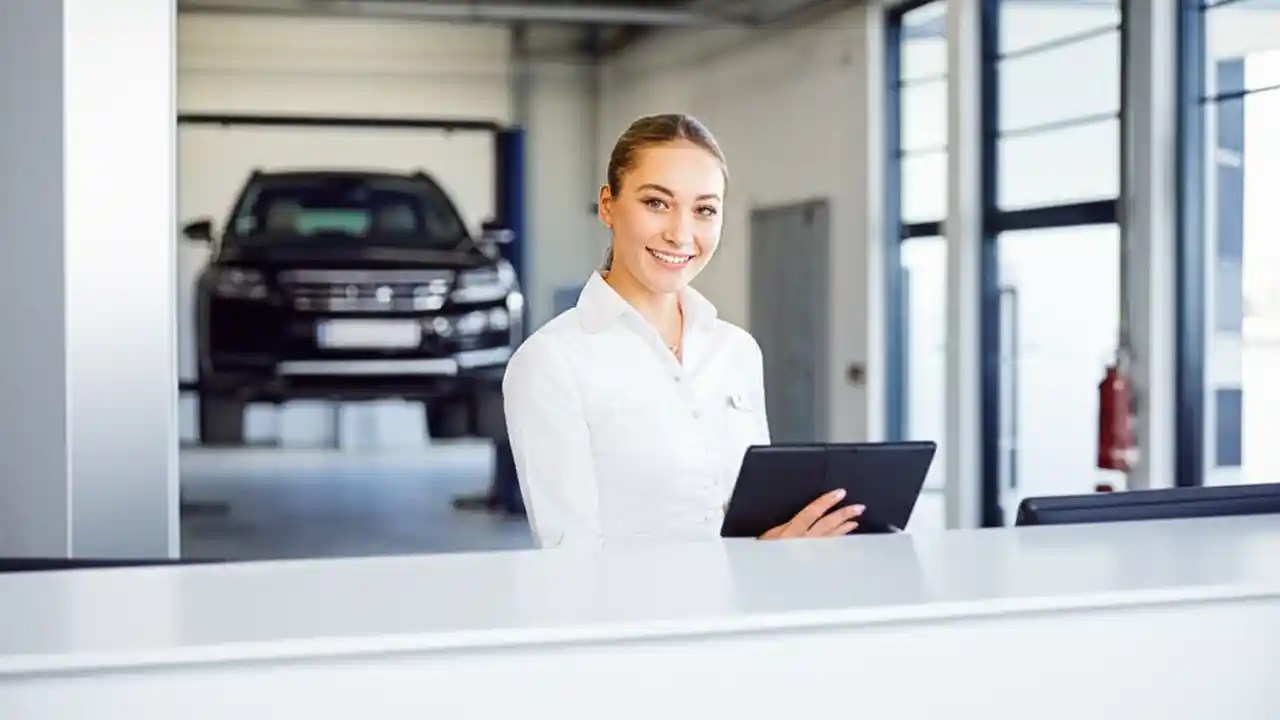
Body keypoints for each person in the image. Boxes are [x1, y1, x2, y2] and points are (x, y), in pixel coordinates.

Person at [502, 113, 864, 549]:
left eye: (704, 210)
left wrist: (789, 544)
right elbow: (573, 561)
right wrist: (758, 560)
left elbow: (750, 521)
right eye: (656, 203)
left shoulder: (737, 352)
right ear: (607, 206)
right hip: (635, 618)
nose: (680, 233)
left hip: (744, 611)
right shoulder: (551, 363)